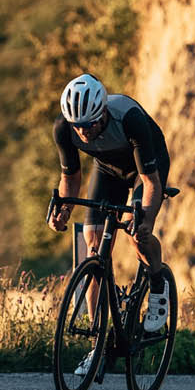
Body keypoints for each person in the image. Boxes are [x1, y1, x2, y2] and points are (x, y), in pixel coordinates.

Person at [47, 73, 172, 353]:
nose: (83, 133)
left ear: (102, 112)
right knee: (93, 246)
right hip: (107, 170)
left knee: (137, 235)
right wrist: (64, 210)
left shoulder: (129, 119)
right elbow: (71, 177)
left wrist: (145, 222)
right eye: (77, 126)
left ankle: (157, 282)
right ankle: (98, 343)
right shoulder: (63, 128)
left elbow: (151, 183)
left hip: (146, 170)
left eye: (89, 125)